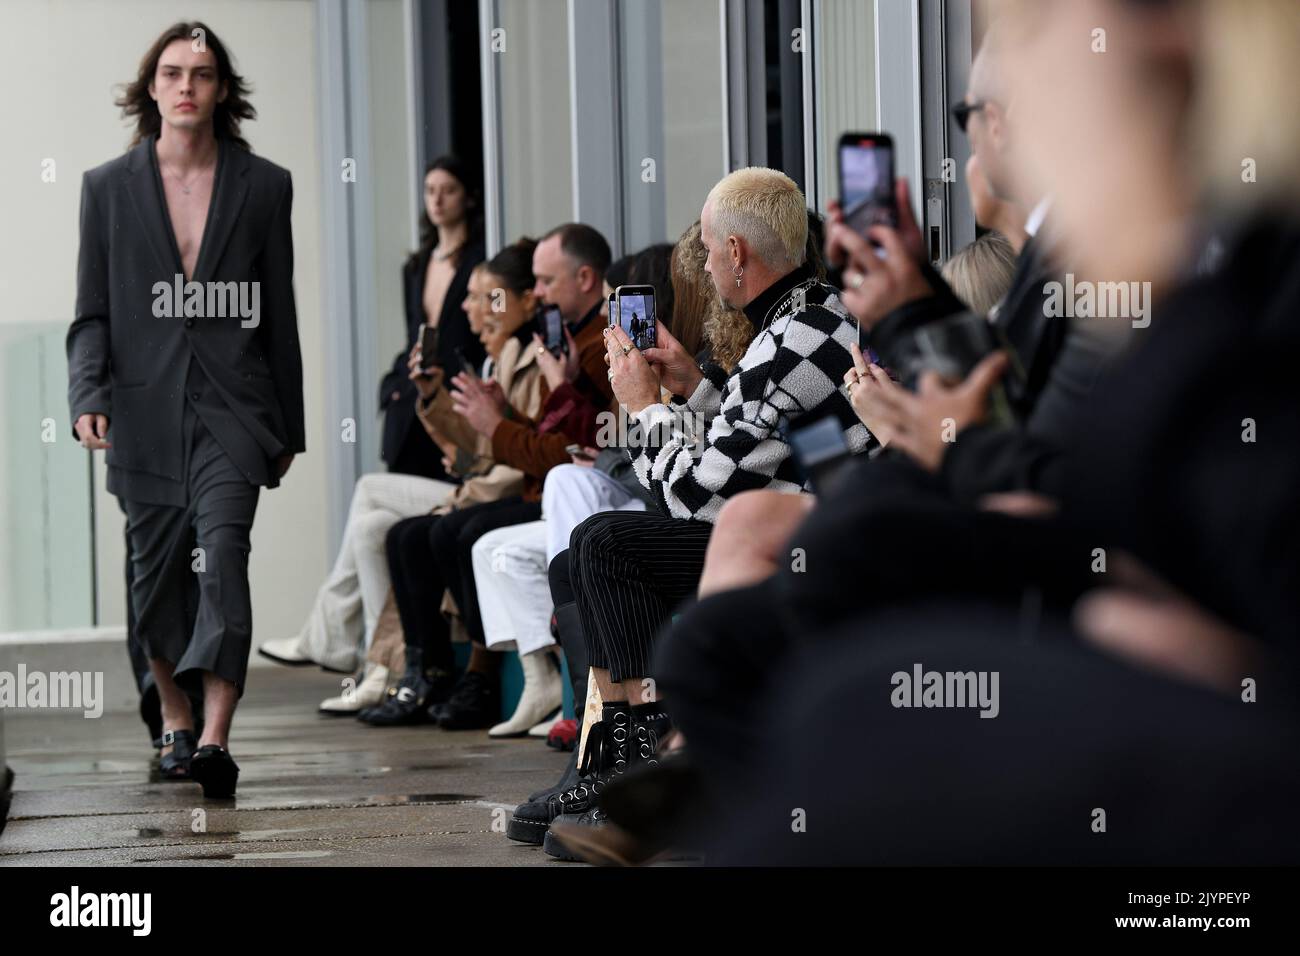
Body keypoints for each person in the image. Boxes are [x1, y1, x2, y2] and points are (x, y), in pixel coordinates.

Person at [537, 168, 872, 858]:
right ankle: (606, 757)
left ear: (738, 255)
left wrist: (645, 406)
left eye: (711, 250)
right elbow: (747, 448)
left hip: (815, 541)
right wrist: (690, 385)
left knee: (605, 542)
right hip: (792, 521)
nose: (706, 264)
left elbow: (693, 495)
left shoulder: (789, 339)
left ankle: (636, 766)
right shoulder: (799, 320)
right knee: (587, 549)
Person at [68, 21, 303, 798]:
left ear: (222, 90)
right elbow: (92, 312)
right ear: (151, 87)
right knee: (156, 579)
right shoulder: (108, 187)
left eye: (201, 74)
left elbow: (279, 314)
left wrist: (289, 427)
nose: (185, 87)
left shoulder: (265, 185)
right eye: (171, 73)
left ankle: (214, 737)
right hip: (141, 411)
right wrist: (88, 396)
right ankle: (171, 710)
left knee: (224, 556)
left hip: (234, 410)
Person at [366, 224, 615, 729]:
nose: (469, 309)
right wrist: (442, 402)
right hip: (535, 484)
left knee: (453, 532)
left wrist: (499, 426)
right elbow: (493, 447)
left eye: (487, 297)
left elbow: (567, 447)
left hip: (555, 490)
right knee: (406, 531)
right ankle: (419, 669)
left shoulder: (566, 345)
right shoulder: (545, 345)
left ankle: (490, 674)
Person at [256, 262, 492, 684]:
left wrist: (460, 443)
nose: (468, 307)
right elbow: (475, 454)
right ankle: (378, 669)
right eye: (469, 296)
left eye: (480, 297)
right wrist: (431, 395)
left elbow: (497, 458)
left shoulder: (509, 363)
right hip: (473, 484)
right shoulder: (488, 365)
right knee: (370, 528)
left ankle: (333, 637)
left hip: (483, 495)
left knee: (368, 489)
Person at [380, 156, 487, 479]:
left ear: (468, 197)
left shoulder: (481, 262)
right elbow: (412, 334)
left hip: (458, 397)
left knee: (452, 493)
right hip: (413, 402)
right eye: (429, 191)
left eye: (448, 190)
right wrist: (394, 387)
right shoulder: (415, 266)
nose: (437, 200)